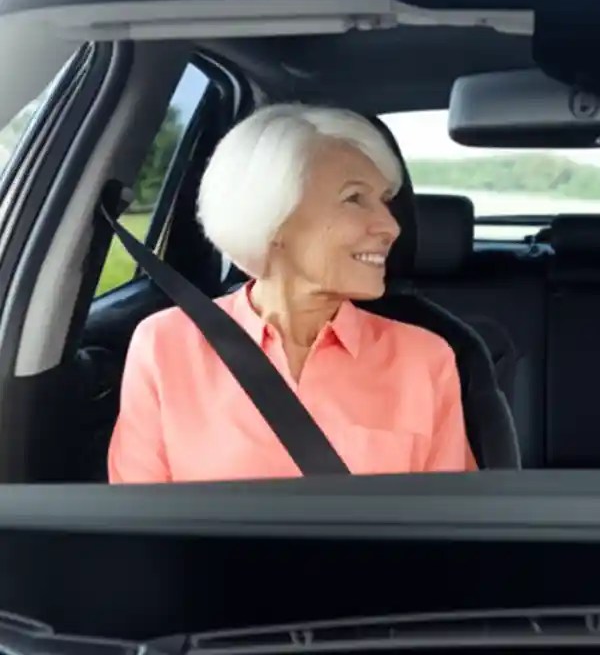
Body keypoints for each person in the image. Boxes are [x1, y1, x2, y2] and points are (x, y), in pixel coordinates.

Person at [108, 104, 476, 483]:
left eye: (384, 201)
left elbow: (449, 529)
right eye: (354, 198)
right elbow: (138, 523)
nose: (390, 226)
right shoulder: (165, 345)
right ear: (272, 216)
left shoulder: (425, 359)